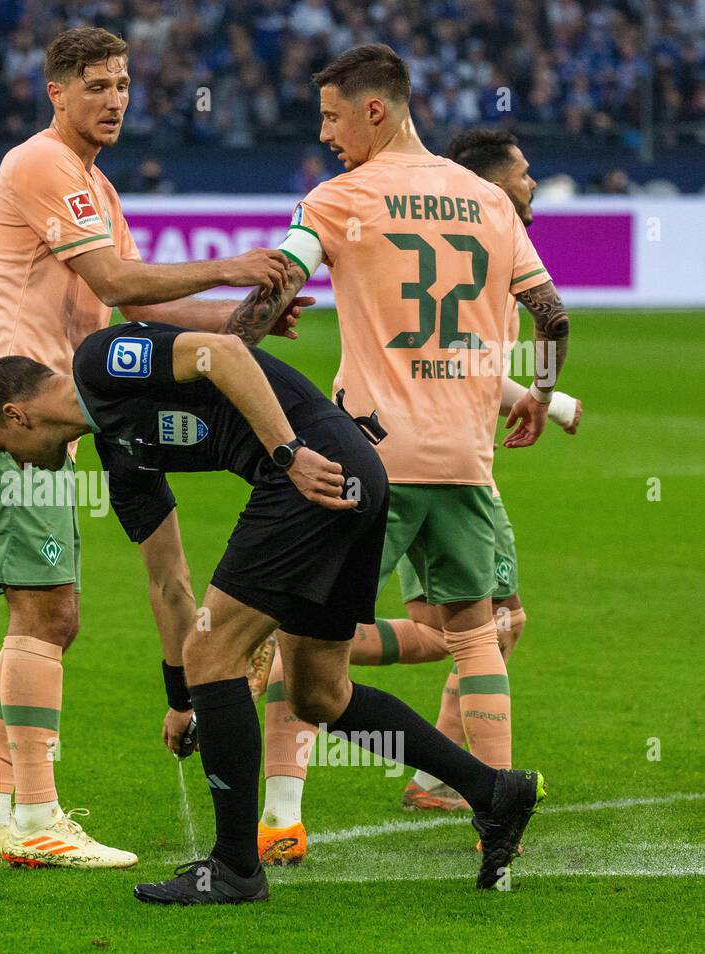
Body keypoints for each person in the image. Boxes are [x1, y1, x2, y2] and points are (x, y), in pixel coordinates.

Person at [0, 323, 547, 904]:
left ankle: (235, 867)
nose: (13, 463)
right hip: (348, 477)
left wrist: (287, 453)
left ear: (17, 415)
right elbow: (170, 583)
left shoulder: (98, 361)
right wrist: (180, 698)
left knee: (214, 651)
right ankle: (493, 792)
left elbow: (222, 351)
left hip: (308, 473)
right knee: (319, 692)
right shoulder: (120, 460)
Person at [211, 45, 570, 869]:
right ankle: (494, 800)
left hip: (367, 460)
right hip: (465, 460)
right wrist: (542, 398)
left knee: (301, 647)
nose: (327, 135)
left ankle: (282, 816)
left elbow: (275, 287)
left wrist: (220, 355)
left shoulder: (337, 199)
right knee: (479, 632)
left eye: (333, 116)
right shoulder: (488, 200)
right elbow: (552, 317)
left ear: (376, 110)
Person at [0, 26, 296, 870]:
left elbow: (133, 312)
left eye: (123, 85)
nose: (114, 100)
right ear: (56, 92)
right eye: (96, 86)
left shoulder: (94, 186)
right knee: (48, 615)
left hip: (52, 422)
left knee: (40, 617)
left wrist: (239, 319)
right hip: (13, 422)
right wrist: (229, 266)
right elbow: (117, 284)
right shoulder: (42, 165)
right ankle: (37, 813)